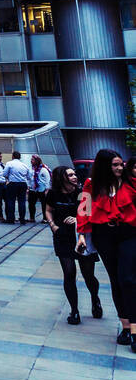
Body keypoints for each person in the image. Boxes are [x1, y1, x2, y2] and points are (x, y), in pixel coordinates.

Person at [76, 149, 136, 349]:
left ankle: (135, 329)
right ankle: (126, 327)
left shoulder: (131, 182)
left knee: (128, 279)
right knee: (116, 280)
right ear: (104, 166)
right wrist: (82, 235)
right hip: (104, 236)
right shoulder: (92, 185)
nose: (120, 168)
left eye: (121, 164)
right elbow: (84, 211)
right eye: (115, 165)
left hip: (129, 234)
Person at [44, 164, 102, 325]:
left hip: (82, 236)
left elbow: (89, 213)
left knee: (88, 275)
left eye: (74, 174)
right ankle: (74, 310)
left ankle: (95, 298)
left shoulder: (82, 193)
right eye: (70, 175)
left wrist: (77, 220)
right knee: (69, 273)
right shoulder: (53, 194)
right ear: (61, 178)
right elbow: (48, 210)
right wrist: (52, 225)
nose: (74, 177)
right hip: (62, 237)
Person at [3, 150, 30, 224]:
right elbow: (28, 176)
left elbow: (4, 174)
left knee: (11, 201)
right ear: (20, 157)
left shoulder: (9, 163)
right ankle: (22, 219)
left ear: (13, 156)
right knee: (22, 202)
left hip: (13, 184)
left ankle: (11, 219)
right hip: (23, 184)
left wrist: (9, 177)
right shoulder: (25, 165)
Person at [28, 154, 51, 222]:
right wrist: (28, 187)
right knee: (31, 204)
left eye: (32, 159)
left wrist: (47, 189)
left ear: (36, 161)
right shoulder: (31, 169)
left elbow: (48, 179)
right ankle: (32, 218)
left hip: (42, 189)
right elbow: (29, 179)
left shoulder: (43, 169)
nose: (31, 161)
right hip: (33, 189)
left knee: (44, 204)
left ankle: (45, 218)